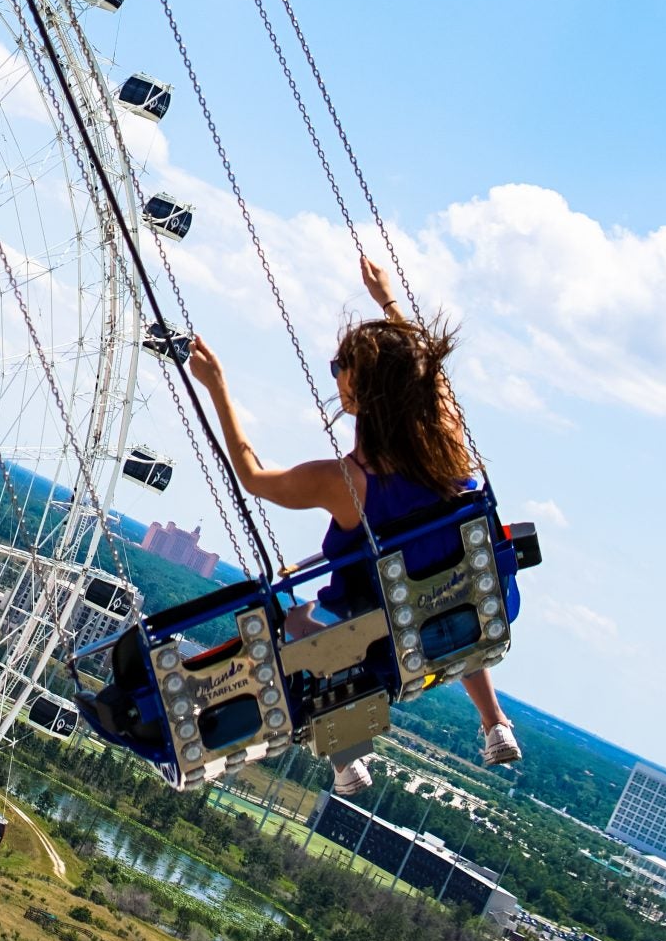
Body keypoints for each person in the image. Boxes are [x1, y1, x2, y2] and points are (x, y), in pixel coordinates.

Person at [183, 254, 521, 792]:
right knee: (444, 580)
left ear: (358, 393)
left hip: (386, 641)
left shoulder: (346, 482)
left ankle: (346, 757)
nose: (335, 374)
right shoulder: (450, 446)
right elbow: (428, 376)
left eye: (340, 367)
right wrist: (387, 299)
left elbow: (253, 474)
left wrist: (216, 386)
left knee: (299, 624)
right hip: (468, 614)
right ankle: (494, 722)